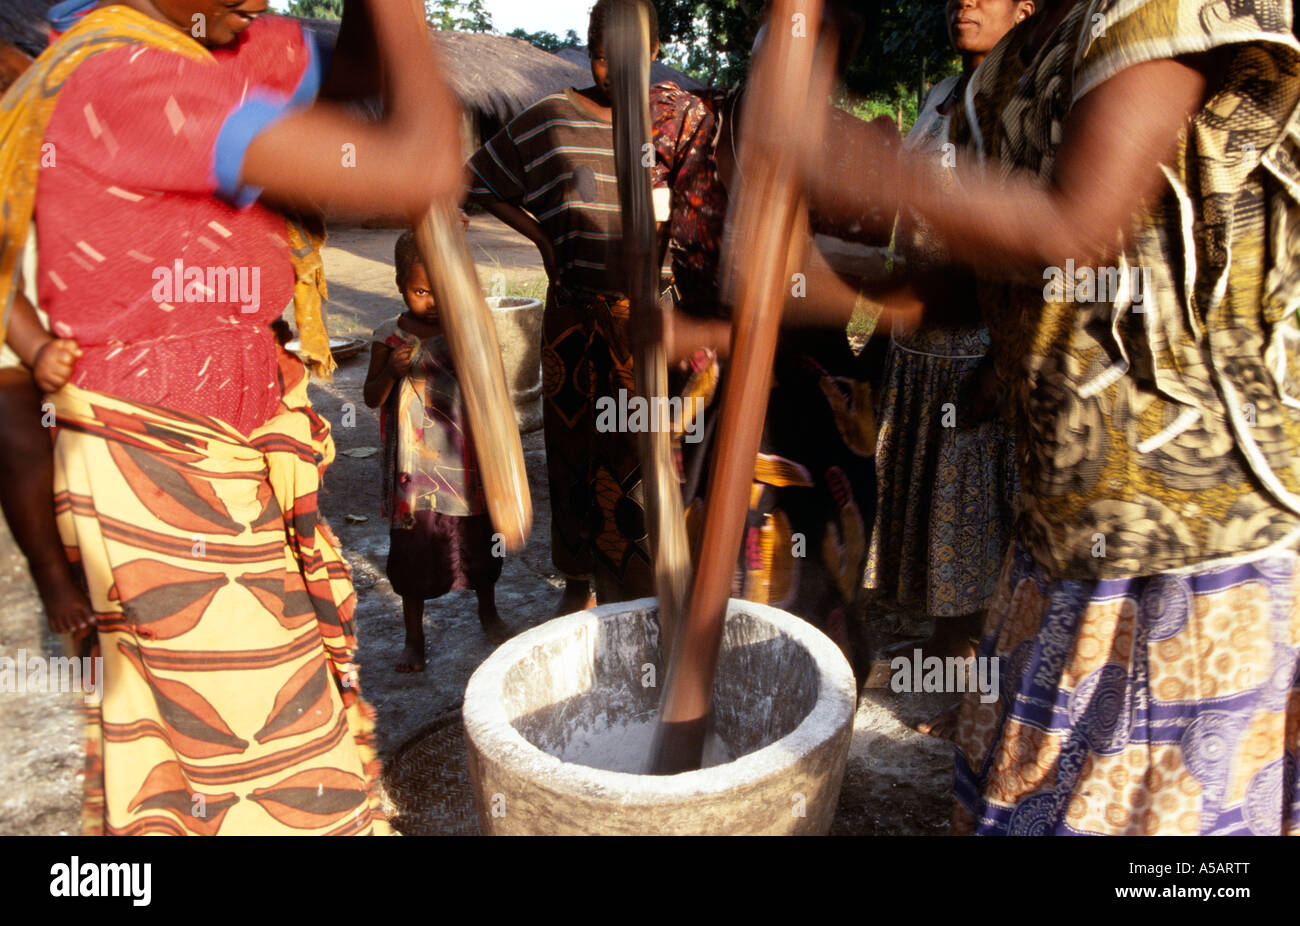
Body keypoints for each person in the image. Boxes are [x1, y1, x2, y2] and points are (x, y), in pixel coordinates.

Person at [792, 0, 1300, 834]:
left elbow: (1079, 228)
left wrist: (847, 155)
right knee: (1017, 800)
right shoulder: (1018, 62)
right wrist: (806, 283)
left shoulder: (1151, 10)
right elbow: (974, 276)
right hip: (1061, 533)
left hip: (1183, 547)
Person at [0, 0, 462, 835]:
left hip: (229, 451)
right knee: (288, 786)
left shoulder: (208, 36)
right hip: (167, 477)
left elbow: (360, 69)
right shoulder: (119, 79)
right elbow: (418, 168)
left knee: (205, 776)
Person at [466, 0, 713, 613]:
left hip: (645, 322)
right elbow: (478, 180)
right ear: (588, 50)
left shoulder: (679, 123)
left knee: (638, 450)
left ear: (656, 55)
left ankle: (634, 588)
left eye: (631, 59)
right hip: (574, 320)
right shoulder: (551, 118)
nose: (614, 72)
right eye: (602, 57)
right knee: (573, 453)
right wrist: (545, 241)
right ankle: (578, 583)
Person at [862, 0, 1032, 734]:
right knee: (930, 505)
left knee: (974, 518)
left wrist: (1005, 351)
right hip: (917, 345)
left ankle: (977, 682)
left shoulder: (1025, 105)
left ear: (1026, 11)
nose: (965, 2)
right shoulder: (937, 97)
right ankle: (941, 643)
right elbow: (908, 225)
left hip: (975, 345)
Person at [363, 231, 510, 674]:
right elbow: (372, 397)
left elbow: (491, 391)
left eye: (443, 289)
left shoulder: (468, 331)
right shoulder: (388, 338)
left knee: (479, 546)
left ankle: (489, 611)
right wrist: (391, 371)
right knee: (413, 554)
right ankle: (415, 639)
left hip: (466, 467)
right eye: (421, 291)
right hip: (414, 473)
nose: (432, 301)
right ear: (400, 285)